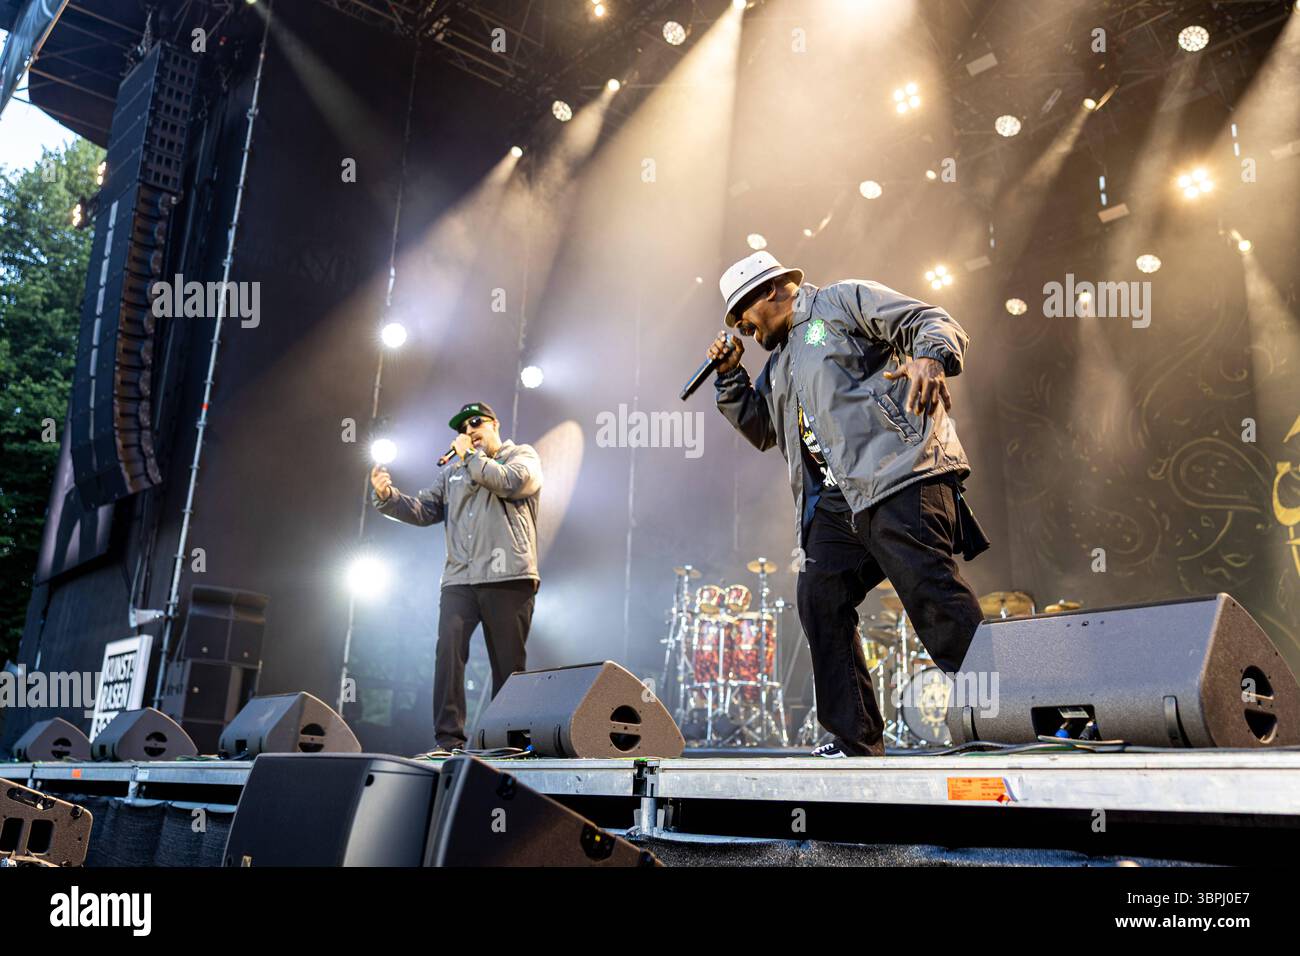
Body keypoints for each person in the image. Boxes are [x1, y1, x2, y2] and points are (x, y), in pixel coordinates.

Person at [708, 251, 989, 757]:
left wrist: (929, 356)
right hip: (839, 504)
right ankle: (855, 738)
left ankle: (1002, 714)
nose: (742, 328)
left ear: (771, 290)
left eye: (742, 313)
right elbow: (763, 431)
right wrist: (730, 378)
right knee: (820, 598)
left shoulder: (838, 304)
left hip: (898, 474)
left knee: (931, 595)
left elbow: (929, 319)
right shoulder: (778, 365)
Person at [369, 402, 542, 751]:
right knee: (447, 653)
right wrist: (387, 498)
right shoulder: (453, 473)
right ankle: (448, 740)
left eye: (476, 423)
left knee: (508, 663)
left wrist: (471, 458)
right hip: (460, 579)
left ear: (495, 424)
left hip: (508, 576)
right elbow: (424, 509)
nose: (469, 431)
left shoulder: (521, 456)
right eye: (462, 429)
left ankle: (508, 740)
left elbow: (510, 482)